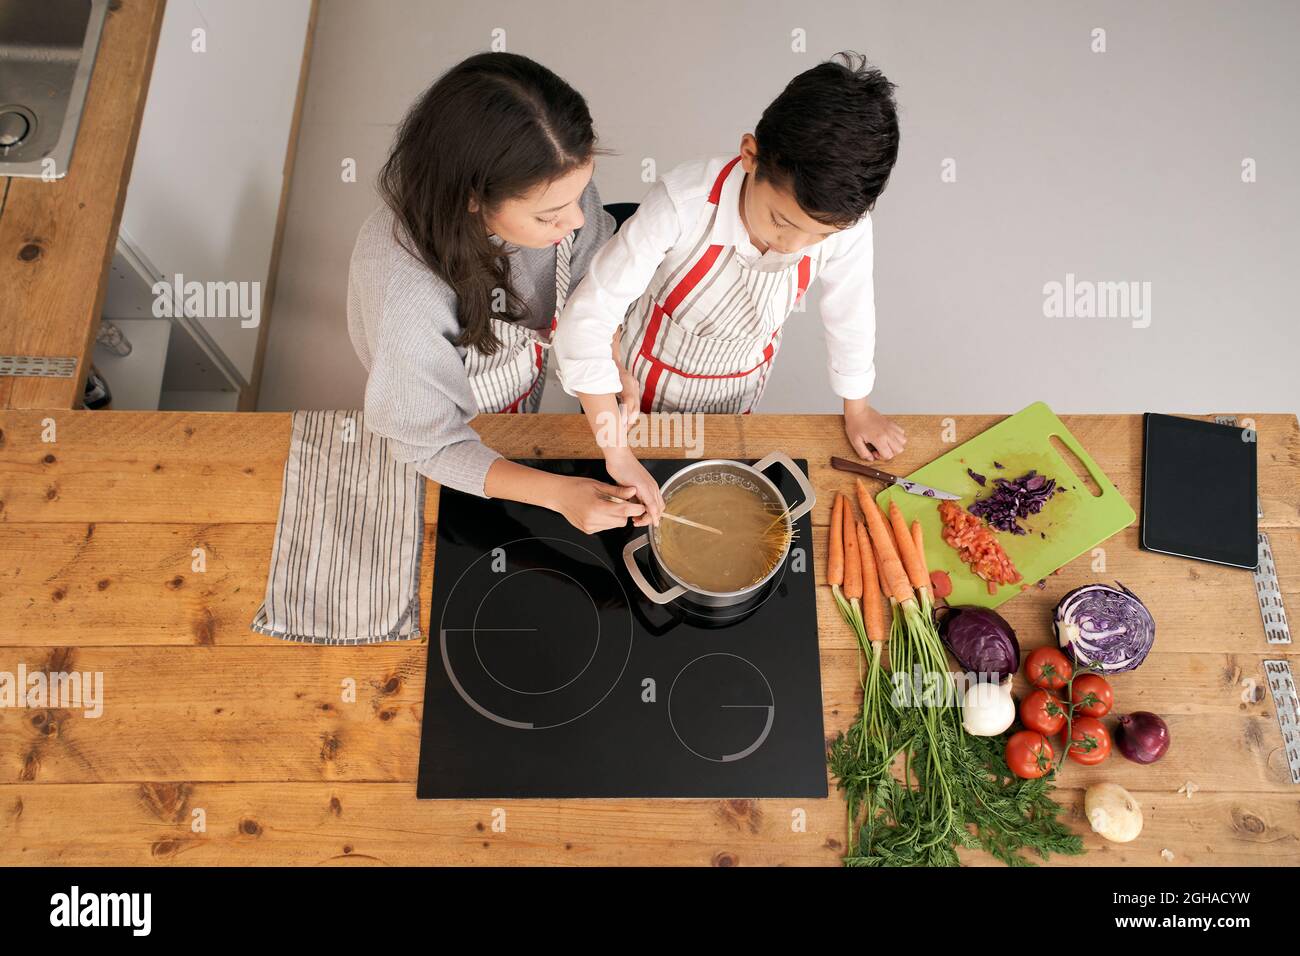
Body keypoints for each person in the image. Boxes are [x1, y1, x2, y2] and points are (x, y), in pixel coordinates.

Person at [553, 53, 906, 519]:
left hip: (737, 388)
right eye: (781, 221)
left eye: (817, 236)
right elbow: (587, 320)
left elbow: (851, 314)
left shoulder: (847, 226)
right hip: (636, 386)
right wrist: (616, 450)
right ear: (750, 155)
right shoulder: (683, 202)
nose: (793, 246)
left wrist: (857, 408)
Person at [347, 52, 647, 533]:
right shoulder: (401, 290)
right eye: (549, 216)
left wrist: (610, 364)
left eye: (579, 195)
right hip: (453, 409)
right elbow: (430, 442)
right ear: (472, 198)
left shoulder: (554, 176)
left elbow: (589, 291)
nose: (576, 221)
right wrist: (559, 494)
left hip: (519, 375)